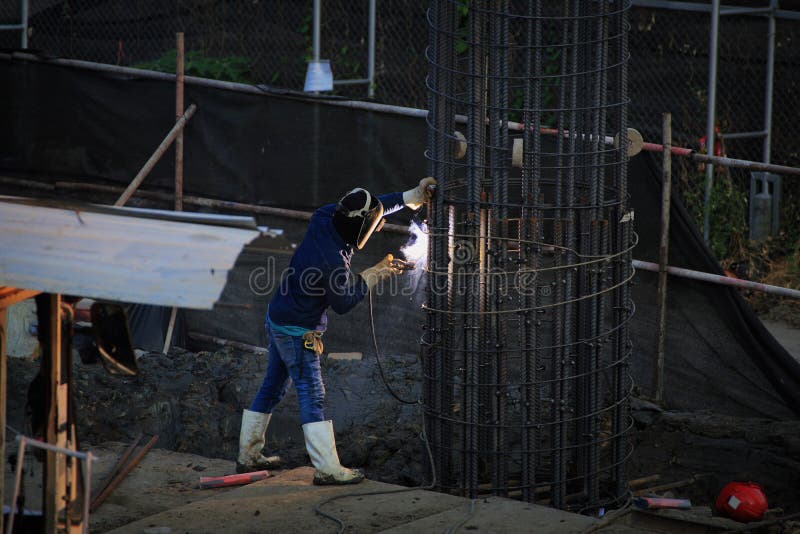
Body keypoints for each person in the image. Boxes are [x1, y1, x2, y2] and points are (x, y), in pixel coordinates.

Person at [237, 177, 437, 485]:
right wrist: (377, 272)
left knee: (273, 387)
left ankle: (247, 455)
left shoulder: (325, 216)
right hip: (296, 330)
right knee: (312, 393)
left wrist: (411, 196)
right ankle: (327, 468)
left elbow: (375, 208)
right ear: (356, 229)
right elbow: (343, 301)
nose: (379, 227)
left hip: (278, 314)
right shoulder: (331, 260)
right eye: (374, 225)